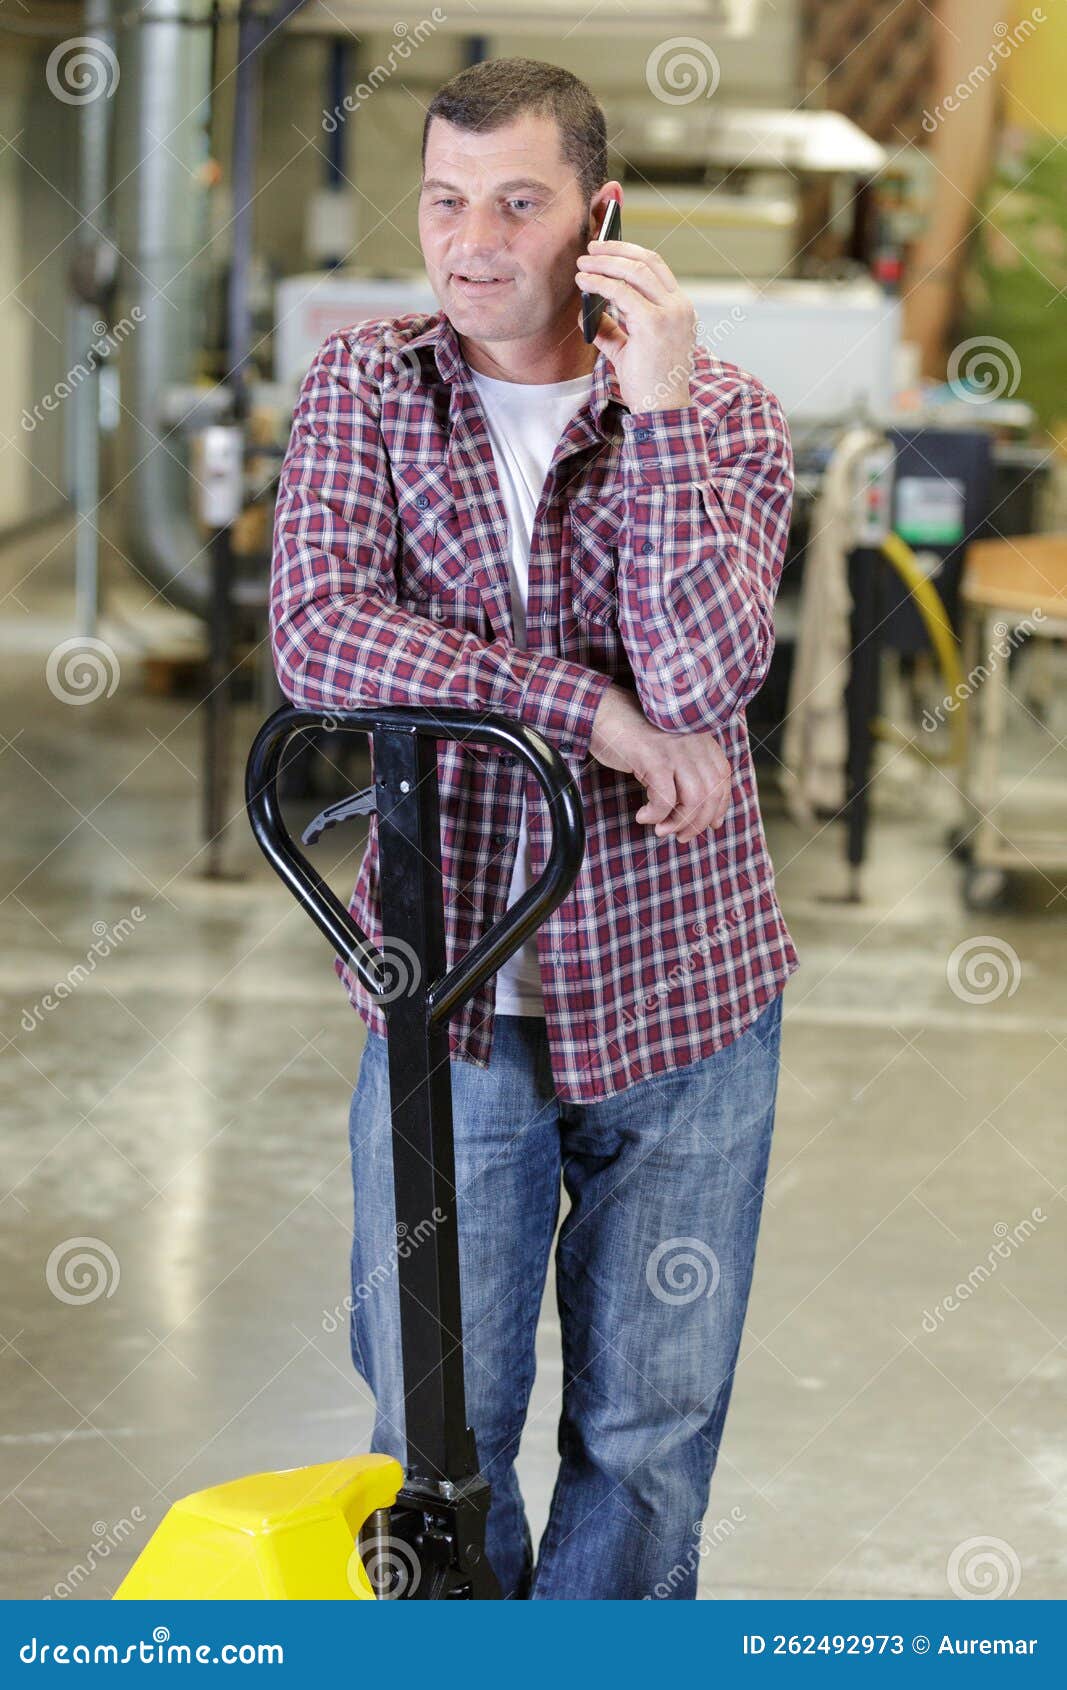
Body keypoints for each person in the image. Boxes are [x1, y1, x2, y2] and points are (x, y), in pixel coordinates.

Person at [270, 56, 798, 1600]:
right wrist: (592, 715)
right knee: (439, 1439)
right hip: (448, 1007)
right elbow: (317, 637)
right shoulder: (369, 388)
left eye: (518, 203)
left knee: (649, 1440)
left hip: (685, 998)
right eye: (446, 201)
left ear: (600, 216)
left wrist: (661, 412)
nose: (473, 241)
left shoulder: (729, 416)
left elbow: (702, 679)